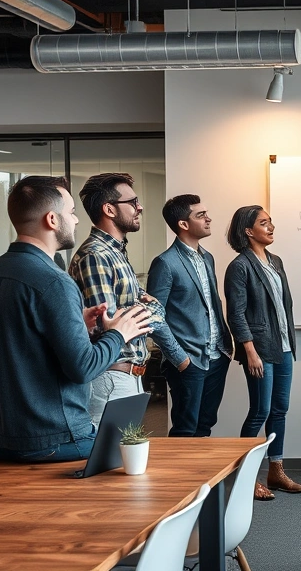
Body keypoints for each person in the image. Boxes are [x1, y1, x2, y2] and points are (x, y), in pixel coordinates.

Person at [0, 175, 151, 462]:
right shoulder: (54, 282)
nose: (77, 220)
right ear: (52, 219)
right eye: (72, 212)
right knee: (136, 453)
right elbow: (84, 368)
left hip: (1, 442)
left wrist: (76, 322)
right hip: (55, 440)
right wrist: (119, 333)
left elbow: (24, 342)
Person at [68, 172, 187, 425]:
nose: (139, 207)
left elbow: (148, 309)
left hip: (127, 376)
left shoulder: (115, 252)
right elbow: (108, 325)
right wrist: (148, 309)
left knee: (123, 449)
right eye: (132, 202)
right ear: (109, 209)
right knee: (108, 451)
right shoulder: (96, 255)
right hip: (111, 376)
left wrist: (144, 309)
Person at [224, 205, 301, 501]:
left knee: (279, 409)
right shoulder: (239, 266)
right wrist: (249, 350)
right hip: (259, 349)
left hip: (282, 345)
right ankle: (247, 477)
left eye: (271, 222)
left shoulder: (275, 261)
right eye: (264, 223)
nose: (271, 227)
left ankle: (276, 471)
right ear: (248, 230)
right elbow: (236, 313)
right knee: (260, 410)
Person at [147, 194, 233, 437]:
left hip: (217, 355)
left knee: (205, 425)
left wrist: (225, 351)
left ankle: (201, 467)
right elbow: (154, 317)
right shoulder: (165, 263)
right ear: (183, 224)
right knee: (185, 429)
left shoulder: (208, 258)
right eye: (201, 215)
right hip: (188, 360)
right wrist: (180, 358)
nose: (208, 219)